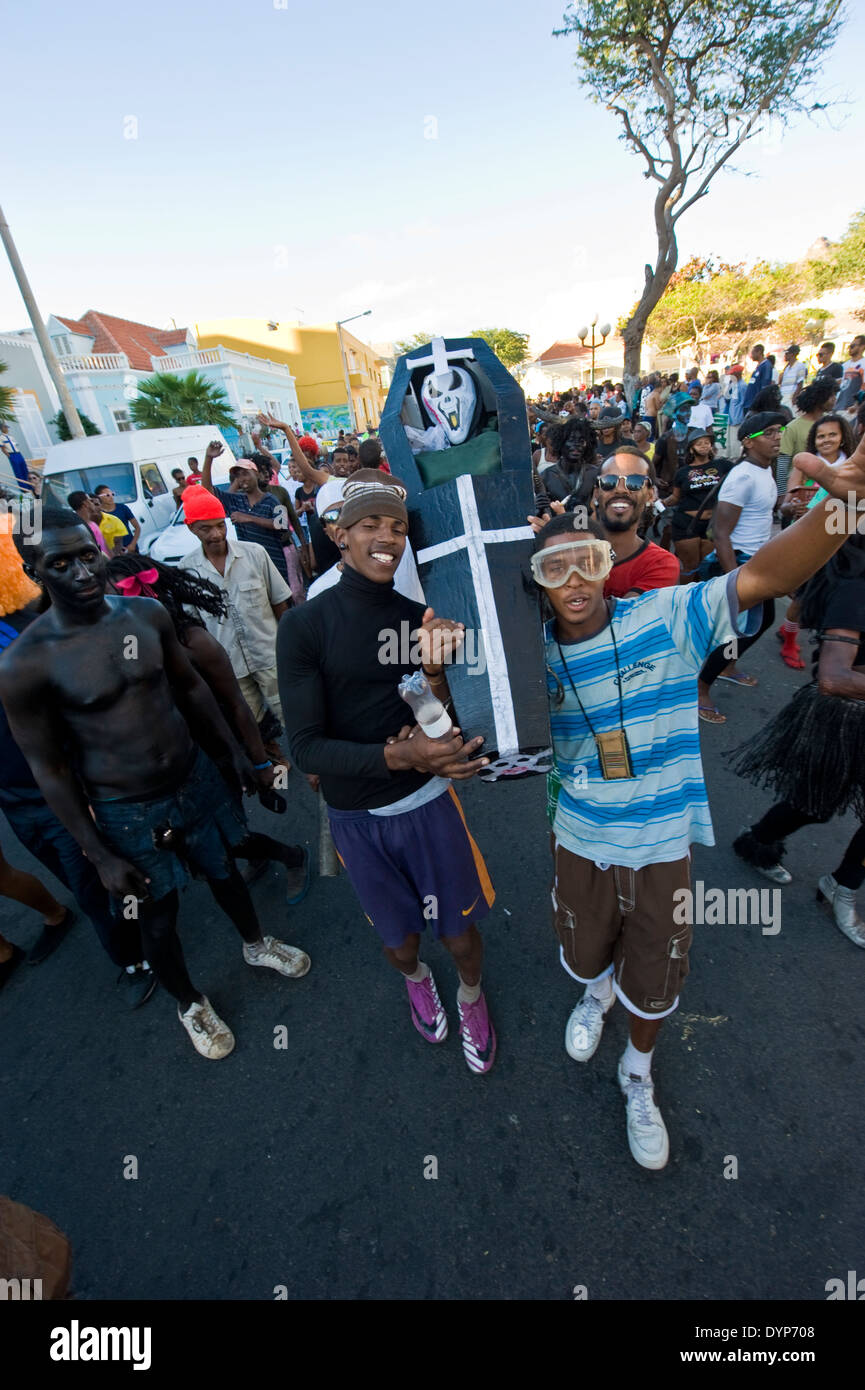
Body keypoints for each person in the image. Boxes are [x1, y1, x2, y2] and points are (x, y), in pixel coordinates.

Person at [534, 429, 865, 1168]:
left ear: (607, 564)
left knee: (656, 975)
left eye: (587, 560)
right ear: (537, 583)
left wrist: (839, 511)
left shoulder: (665, 616)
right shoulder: (531, 663)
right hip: (579, 839)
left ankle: (637, 1072)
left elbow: (765, 576)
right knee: (586, 953)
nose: (575, 578)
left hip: (660, 847)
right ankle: (594, 995)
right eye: (554, 568)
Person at [0, 507, 310, 1060]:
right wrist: (98, 855)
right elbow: (49, 769)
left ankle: (256, 944)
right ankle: (190, 1003)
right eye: (61, 564)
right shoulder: (25, 664)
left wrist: (236, 754)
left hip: (195, 779)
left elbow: (191, 690)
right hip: (127, 811)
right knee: (157, 917)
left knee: (226, 872)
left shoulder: (145, 615)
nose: (81, 573)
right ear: (33, 572)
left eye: (88, 555)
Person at [277, 471, 497, 1074]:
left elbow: (444, 719)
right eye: (369, 525)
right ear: (338, 535)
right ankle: (418, 980)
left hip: (427, 804)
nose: (386, 538)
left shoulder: (417, 619)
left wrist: (436, 677)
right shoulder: (305, 626)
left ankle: (472, 996)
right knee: (400, 943)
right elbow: (306, 750)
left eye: (397, 528)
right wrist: (400, 755)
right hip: (356, 817)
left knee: (460, 934)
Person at [106, 552, 310, 905]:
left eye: (114, 600)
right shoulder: (128, 650)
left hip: (220, 754)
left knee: (223, 838)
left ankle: (291, 856)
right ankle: (259, 855)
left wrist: (259, 762)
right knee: (211, 837)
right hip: (178, 764)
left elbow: (237, 705)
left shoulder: (193, 641)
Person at [730, 533, 865, 949]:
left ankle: (843, 886)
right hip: (844, 720)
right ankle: (758, 841)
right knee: (813, 806)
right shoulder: (857, 586)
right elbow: (834, 678)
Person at [178, 483, 291, 744]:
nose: (216, 534)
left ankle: (307, 763)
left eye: (220, 525)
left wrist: (288, 647)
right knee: (253, 726)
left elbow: (280, 603)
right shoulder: (186, 570)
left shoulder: (255, 554)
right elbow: (193, 627)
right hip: (229, 667)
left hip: (270, 656)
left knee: (292, 716)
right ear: (191, 528)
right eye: (206, 528)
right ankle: (274, 761)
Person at [695, 412, 786, 723]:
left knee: (760, 622)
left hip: (760, 561)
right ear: (748, 442)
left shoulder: (765, 469)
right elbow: (721, 533)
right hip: (742, 564)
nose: (777, 436)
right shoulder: (743, 476)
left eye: (779, 430)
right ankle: (701, 688)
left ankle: (728, 666)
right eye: (769, 432)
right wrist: (734, 579)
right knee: (735, 629)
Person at [200, 442, 291, 583]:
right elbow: (207, 491)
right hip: (250, 568)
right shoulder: (236, 501)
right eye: (238, 476)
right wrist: (209, 458)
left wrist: (249, 518)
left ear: (256, 474)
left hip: (274, 565)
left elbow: (282, 525)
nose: (242, 479)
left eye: (245, 473)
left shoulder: (272, 499)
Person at [668, 430, 733, 581]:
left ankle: (704, 596)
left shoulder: (723, 465)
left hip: (712, 525)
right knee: (690, 567)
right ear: (691, 448)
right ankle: (686, 595)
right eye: (699, 443)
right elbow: (675, 497)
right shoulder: (682, 472)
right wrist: (659, 502)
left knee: (707, 568)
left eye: (707, 443)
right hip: (686, 524)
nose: (704, 446)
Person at [776, 378, 838, 498]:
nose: (834, 399)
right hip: (800, 489)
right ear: (821, 398)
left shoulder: (831, 423)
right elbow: (783, 465)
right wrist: (782, 495)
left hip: (827, 487)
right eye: (831, 396)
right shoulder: (793, 428)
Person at [94, 484, 140, 553]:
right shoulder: (99, 514)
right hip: (115, 552)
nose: (111, 497)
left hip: (130, 548)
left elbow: (137, 527)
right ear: (98, 497)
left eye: (112, 494)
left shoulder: (123, 508)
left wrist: (132, 545)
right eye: (107, 495)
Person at [836, 335, 865, 414]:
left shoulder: (863, 364)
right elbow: (842, 384)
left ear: (862, 347)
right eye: (849, 346)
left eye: (853, 346)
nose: (850, 348)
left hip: (852, 408)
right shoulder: (845, 365)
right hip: (839, 406)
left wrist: (856, 405)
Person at [742, 344, 773, 412]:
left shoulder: (766, 366)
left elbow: (765, 386)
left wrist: (759, 404)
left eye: (753, 353)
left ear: (759, 352)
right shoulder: (758, 367)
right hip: (749, 403)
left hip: (756, 406)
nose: (751, 356)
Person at [778, 345, 806, 411]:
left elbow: (800, 384)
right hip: (783, 397)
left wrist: (794, 398)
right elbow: (780, 382)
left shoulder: (800, 366)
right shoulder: (787, 368)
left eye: (787, 353)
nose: (785, 355)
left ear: (792, 354)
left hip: (791, 397)